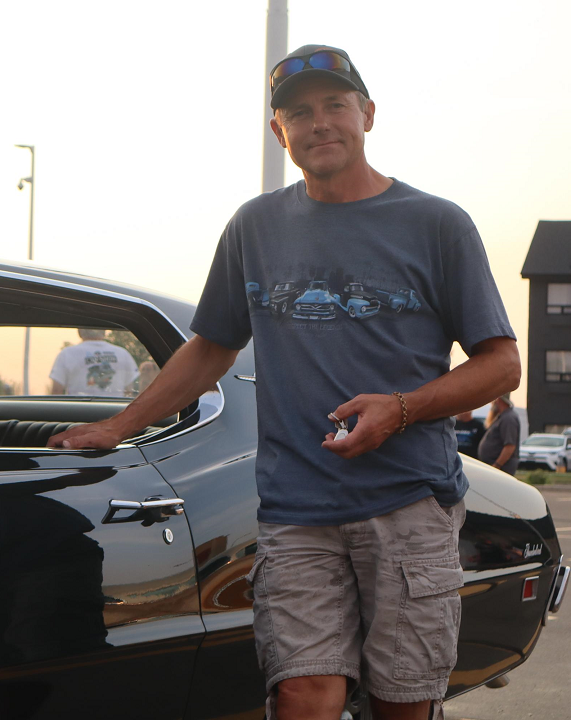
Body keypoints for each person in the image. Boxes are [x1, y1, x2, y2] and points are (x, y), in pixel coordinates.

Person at [48, 44, 520, 720]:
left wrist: (401, 409)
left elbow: (503, 365)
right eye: (299, 112)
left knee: (402, 703)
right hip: (296, 510)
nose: (319, 122)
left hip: (408, 504)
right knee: (302, 694)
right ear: (279, 132)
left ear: (368, 115)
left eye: (335, 105)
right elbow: (210, 347)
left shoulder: (436, 224)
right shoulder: (255, 227)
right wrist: (119, 425)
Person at [48, 328, 139, 397]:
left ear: (79, 332)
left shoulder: (67, 354)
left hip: (78, 414)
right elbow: (130, 391)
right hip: (114, 414)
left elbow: (56, 391)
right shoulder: (123, 353)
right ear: (104, 331)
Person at [478, 393, 520, 475]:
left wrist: (497, 465)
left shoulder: (509, 418)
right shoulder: (502, 417)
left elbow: (510, 446)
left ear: (498, 400)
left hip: (501, 469)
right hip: (495, 467)